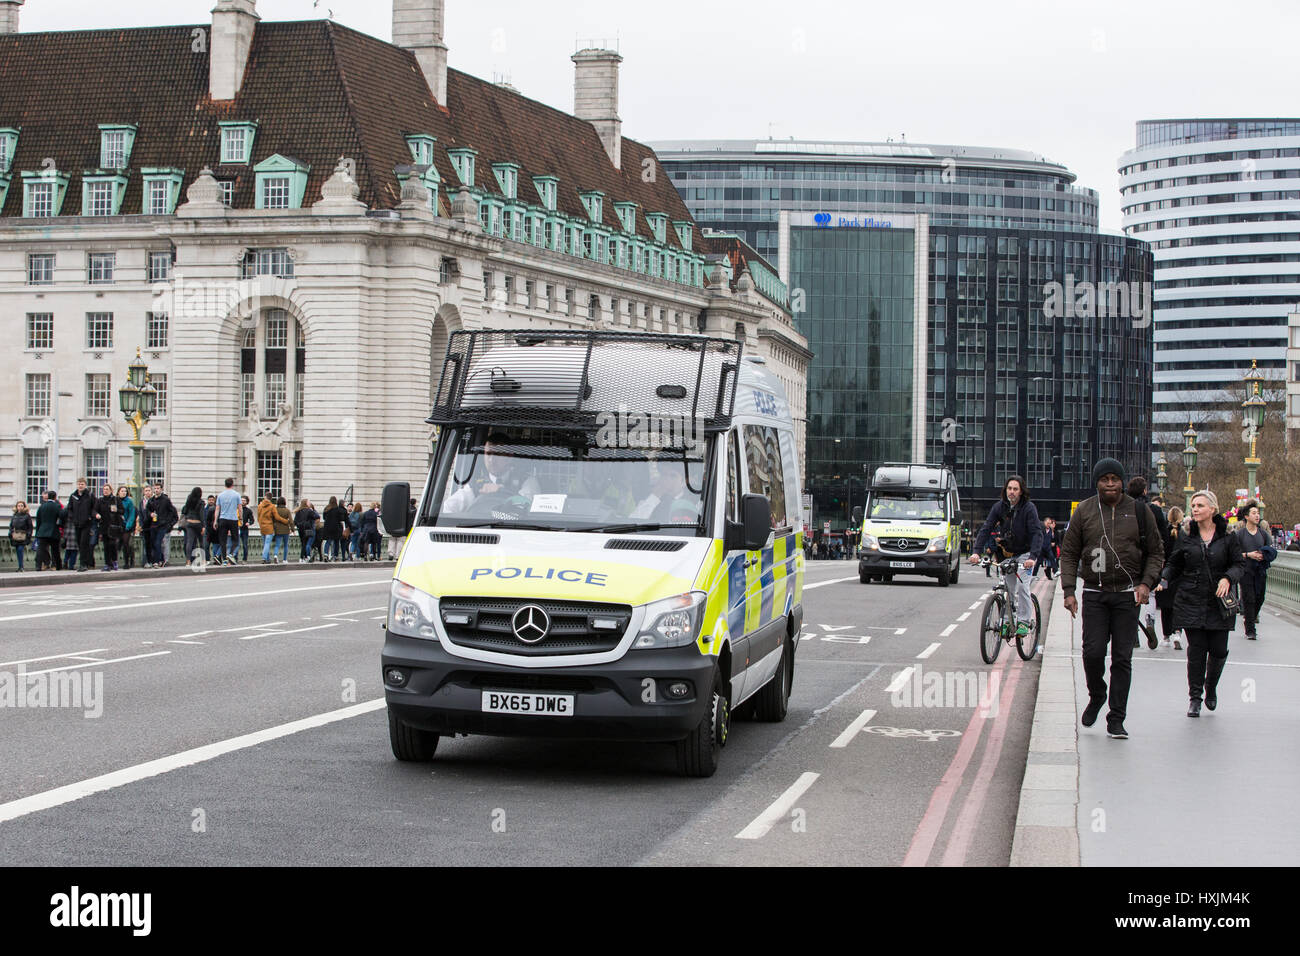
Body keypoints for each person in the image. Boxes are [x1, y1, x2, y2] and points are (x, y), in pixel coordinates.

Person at [1059, 458, 1165, 740]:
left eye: (1114, 479)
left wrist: (1146, 584)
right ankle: (1097, 694)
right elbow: (1069, 553)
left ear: (1122, 482)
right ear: (1096, 483)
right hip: (1094, 593)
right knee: (1092, 653)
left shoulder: (1140, 512)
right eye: (1104, 479)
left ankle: (1116, 718)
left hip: (1127, 597)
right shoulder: (1084, 511)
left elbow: (1156, 552)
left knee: (1122, 658)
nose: (1109, 484)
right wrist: (1069, 590)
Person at [1158, 491, 1247, 717]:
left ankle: (1211, 687)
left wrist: (1228, 578)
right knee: (1196, 652)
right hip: (1191, 599)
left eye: (1200, 505)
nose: (1195, 509)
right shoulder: (1186, 536)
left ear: (1212, 509)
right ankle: (1195, 697)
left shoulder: (1228, 536)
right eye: (1193, 506)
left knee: (1218, 650)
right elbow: (1175, 563)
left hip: (1218, 603)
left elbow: (1239, 565)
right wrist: (1164, 578)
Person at [970, 476, 1043, 642]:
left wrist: (1032, 557)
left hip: (1025, 555)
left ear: (1021, 491)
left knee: (1023, 587)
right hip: (1006, 553)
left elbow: (1036, 534)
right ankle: (1008, 622)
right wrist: (976, 552)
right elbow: (986, 528)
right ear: (1005, 490)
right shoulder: (999, 507)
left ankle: (1024, 621)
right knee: (1009, 589)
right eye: (1009, 488)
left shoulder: (1028, 508)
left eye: (1015, 489)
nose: (1012, 492)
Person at [442, 432, 540, 513]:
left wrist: (501, 491)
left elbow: (528, 508)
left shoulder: (526, 481)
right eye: (488, 454)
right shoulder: (476, 486)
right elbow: (447, 509)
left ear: (509, 456)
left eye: (497, 454)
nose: (491, 460)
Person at [1129, 477, 1169, 648]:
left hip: (1130, 557)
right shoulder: (1155, 510)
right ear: (1145, 491)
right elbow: (1163, 537)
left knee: (1131, 593)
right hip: (1149, 557)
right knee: (1150, 593)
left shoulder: (1126, 509)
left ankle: (1133, 633)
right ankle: (1150, 620)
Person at [1234, 500, 1276, 641]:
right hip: (1245, 571)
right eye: (1254, 513)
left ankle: (1250, 617)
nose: (1257, 516)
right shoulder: (1239, 535)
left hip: (1260, 570)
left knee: (1260, 597)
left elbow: (1270, 550)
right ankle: (1250, 629)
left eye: (1258, 513)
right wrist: (1248, 555)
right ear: (1246, 516)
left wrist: (1263, 555)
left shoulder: (1264, 535)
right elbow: (1234, 554)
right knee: (1249, 598)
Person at [1155, 506, 1185, 649]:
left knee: (1165, 606)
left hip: (1165, 573)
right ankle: (1178, 632)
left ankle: (1166, 636)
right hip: (1180, 574)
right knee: (1178, 605)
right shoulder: (1184, 534)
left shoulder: (1163, 533)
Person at [66, 477, 96, 571]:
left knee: (84, 543)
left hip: (86, 523)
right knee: (79, 543)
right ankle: (86, 562)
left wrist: (90, 517)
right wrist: (72, 517)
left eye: (82, 484)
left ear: (85, 485)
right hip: (76, 523)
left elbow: (94, 507)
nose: (80, 485)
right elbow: (69, 508)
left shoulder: (90, 495)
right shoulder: (73, 496)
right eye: (79, 484)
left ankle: (83, 564)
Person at [145, 484, 178, 568]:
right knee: (153, 543)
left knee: (158, 542)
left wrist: (168, 523)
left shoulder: (166, 500)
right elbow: (147, 510)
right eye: (155, 488)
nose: (156, 490)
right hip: (153, 525)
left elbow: (172, 512)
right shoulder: (151, 500)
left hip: (162, 525)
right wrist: (150, 514)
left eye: (158, 488)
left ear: (161, 489)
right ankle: (160, 559)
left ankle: (156, 561)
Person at [94, 482, 124, 571]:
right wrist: (96, 514)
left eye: (107, 489)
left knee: (112, 544)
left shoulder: (116, 500)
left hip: (113, 526)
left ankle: (114, 561)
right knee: (106, 546)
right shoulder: (100, 500)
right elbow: (95, 510)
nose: (105, 491)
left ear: (111, 490)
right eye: (104, 489)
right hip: (104, 526)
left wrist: (116, 510)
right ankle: (107, 564)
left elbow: (122, 511)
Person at [215, 477, 242, 566]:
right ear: (232, 484)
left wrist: (215, 521)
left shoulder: (220, 495)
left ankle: (224, 560)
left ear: (225, 484)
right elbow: (240, 508)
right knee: (236, 539)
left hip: (222, 519)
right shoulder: (236, 494)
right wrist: (241, 518)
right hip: (233, 519)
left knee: (222, 540)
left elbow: (217, 509)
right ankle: (230, 554)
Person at [35, 491, 62, 571]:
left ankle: (38, 566)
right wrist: (60, 526)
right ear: (55, 497)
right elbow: (61, 517)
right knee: (55, 550)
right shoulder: (57, 506)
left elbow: (38, 520)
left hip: (42, 530)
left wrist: (38, 532)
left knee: (40, 549)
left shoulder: (42, 506)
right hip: (53, 530)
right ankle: (58, 565)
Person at [180, 488, 205, 565]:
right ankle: (203, 560)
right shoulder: (201, 502)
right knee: (201, 542)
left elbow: (185, 511)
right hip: (198, 523)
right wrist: (203, 526)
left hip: (189, 523)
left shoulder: (189, 501)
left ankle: (188, 561)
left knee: (189, 542)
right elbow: (201, 515)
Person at [8, 500, 33, 572]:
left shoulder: (27, 516)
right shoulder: (14, 515)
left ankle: (21, 566)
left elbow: (30, 527)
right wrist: (11, 533)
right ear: (16, 507)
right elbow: (11, 526)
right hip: (15, 536)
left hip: (23, 536)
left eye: (22, 505)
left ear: (24, 507)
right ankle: (20, 566)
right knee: (17, 551)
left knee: (20, 549)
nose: (20, 507)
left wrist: (28, 536)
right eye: (19, 506)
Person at [294, 498, 320, 563]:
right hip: (307, 528)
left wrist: (299, 525)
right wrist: (312, 510)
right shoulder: (309, 511)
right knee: (305, 543)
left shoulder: (298, 511)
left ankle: (303, 557)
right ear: (306, 503)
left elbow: (295, 521)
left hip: (300, 529)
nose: (309, 503)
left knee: (303, 543)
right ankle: (303, 557)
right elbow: (317, 516)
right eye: (308, 502)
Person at [117, 485, 137, 570]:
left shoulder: (129, 501)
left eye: (125, 491)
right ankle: (113, 562)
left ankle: (127, 562)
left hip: (126, 526)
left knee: (126, 544)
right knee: (116, 544)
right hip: (117, 526)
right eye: (122, 491)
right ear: (118, 492)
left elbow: (132, 514)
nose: (124, 492)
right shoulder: (115, 500)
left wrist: (128, 525)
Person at [322, 496, 346, 562]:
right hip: (336, 527)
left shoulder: (326, 508)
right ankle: (335, 556)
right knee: (336, 542)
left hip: (327, 527)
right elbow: (341, 518)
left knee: (328, 541)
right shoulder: (337, 509)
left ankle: (326, 554)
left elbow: (324, 518)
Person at [257, 490, 278, 563]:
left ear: (265, 497)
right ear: (271, 498)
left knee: (265, 543)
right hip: (269, 527)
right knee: (267, 543)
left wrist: (260, 524)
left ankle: (268, 559)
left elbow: (258, 517)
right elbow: (276, 517)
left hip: (262, 526)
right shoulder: (272, 506)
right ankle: (264, 558)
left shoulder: (260, 506)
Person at [271, 496, 293, 563]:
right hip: (286, 530)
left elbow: (272, 519)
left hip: (277, 529)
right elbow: (291, 521)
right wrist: (292, 529)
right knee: (286, 545)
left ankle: (275, 555)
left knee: (277, 544)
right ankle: (284, 559)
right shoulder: (287, 510)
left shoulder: (275, 509)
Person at [239, 495, 254, 562]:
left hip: (244, 529)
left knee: (245, 545)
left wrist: (249, 523)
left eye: (244, 500)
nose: (243, 502)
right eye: (241, 500)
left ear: (247, 502)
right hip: (238, 528)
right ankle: (235, 558)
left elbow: (252, 520)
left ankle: (244, 559)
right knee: (236, 545)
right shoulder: (237, 509)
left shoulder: (248, 510)